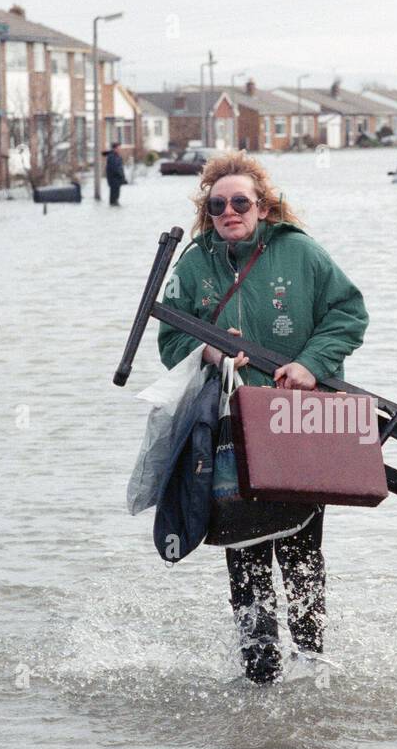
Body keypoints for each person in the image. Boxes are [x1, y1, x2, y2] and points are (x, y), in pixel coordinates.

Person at [157, 151, 368, 684]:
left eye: (241, 202)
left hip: (298, 420)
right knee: (245, 553)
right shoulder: (192, 263)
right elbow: (171, 336)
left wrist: (309, 365)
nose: (231, 211)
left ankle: (312, 662)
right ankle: (259, 672)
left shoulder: (300, 253)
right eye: (219, 203)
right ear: (209, 210)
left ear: (264, 206)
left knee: (301, 549)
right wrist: (208, 352)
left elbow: (349, 313)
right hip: (231, 426)